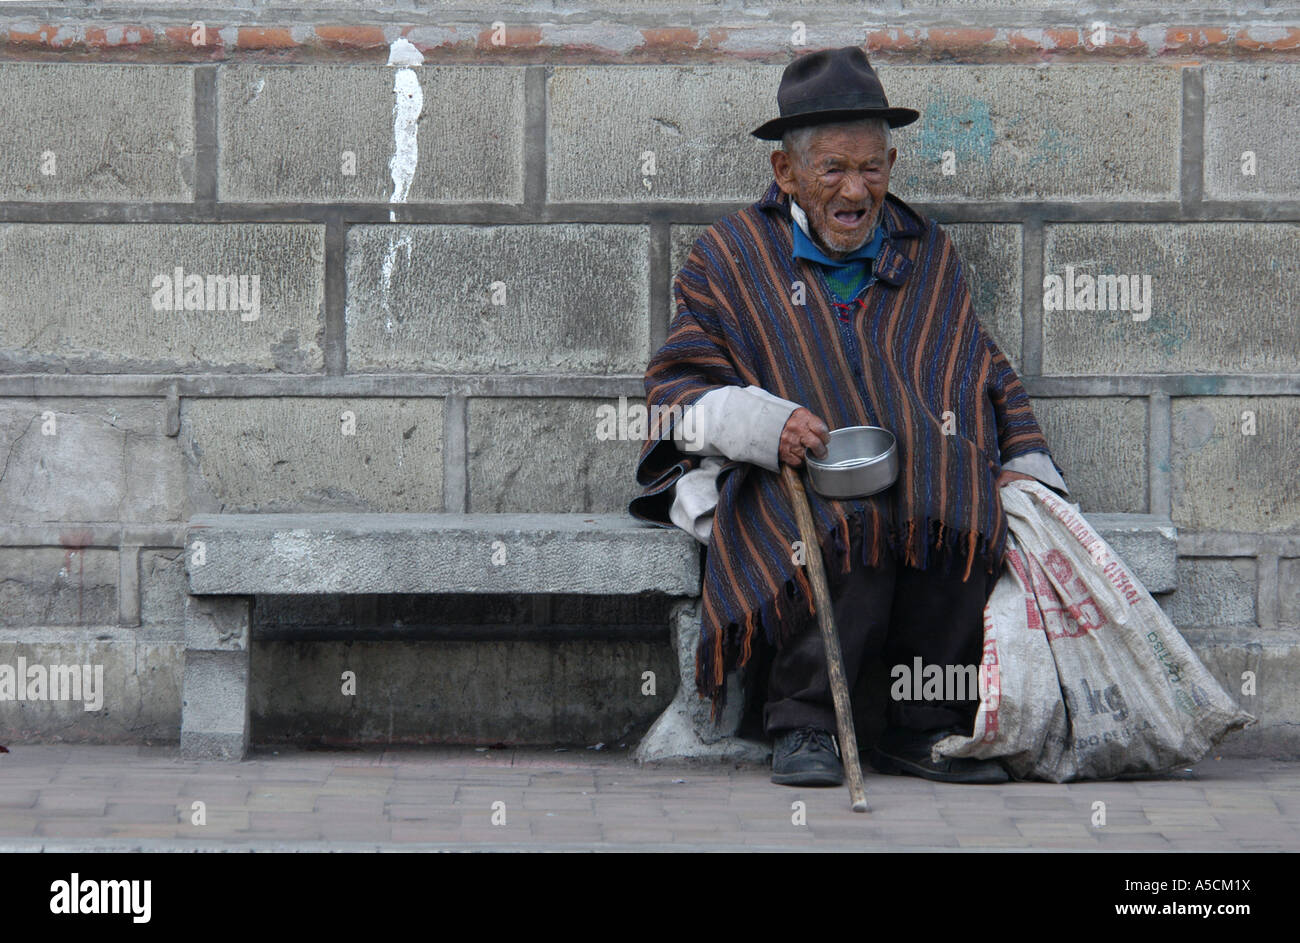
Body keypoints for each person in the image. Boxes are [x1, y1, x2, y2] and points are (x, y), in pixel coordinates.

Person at [630, 47, 1069, 786]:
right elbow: (676, 394)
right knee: (844, 516)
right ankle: (804, 724)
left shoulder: (922, 249)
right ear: (787, 174)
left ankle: (920, 721)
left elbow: (978, 363)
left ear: (892, 164)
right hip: (785, 477)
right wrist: (765, 426)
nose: (855, 190)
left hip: (903, 465)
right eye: (832, 168)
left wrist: (1025, 466)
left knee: (956, 503)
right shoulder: (730, 257)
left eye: (872, 168)